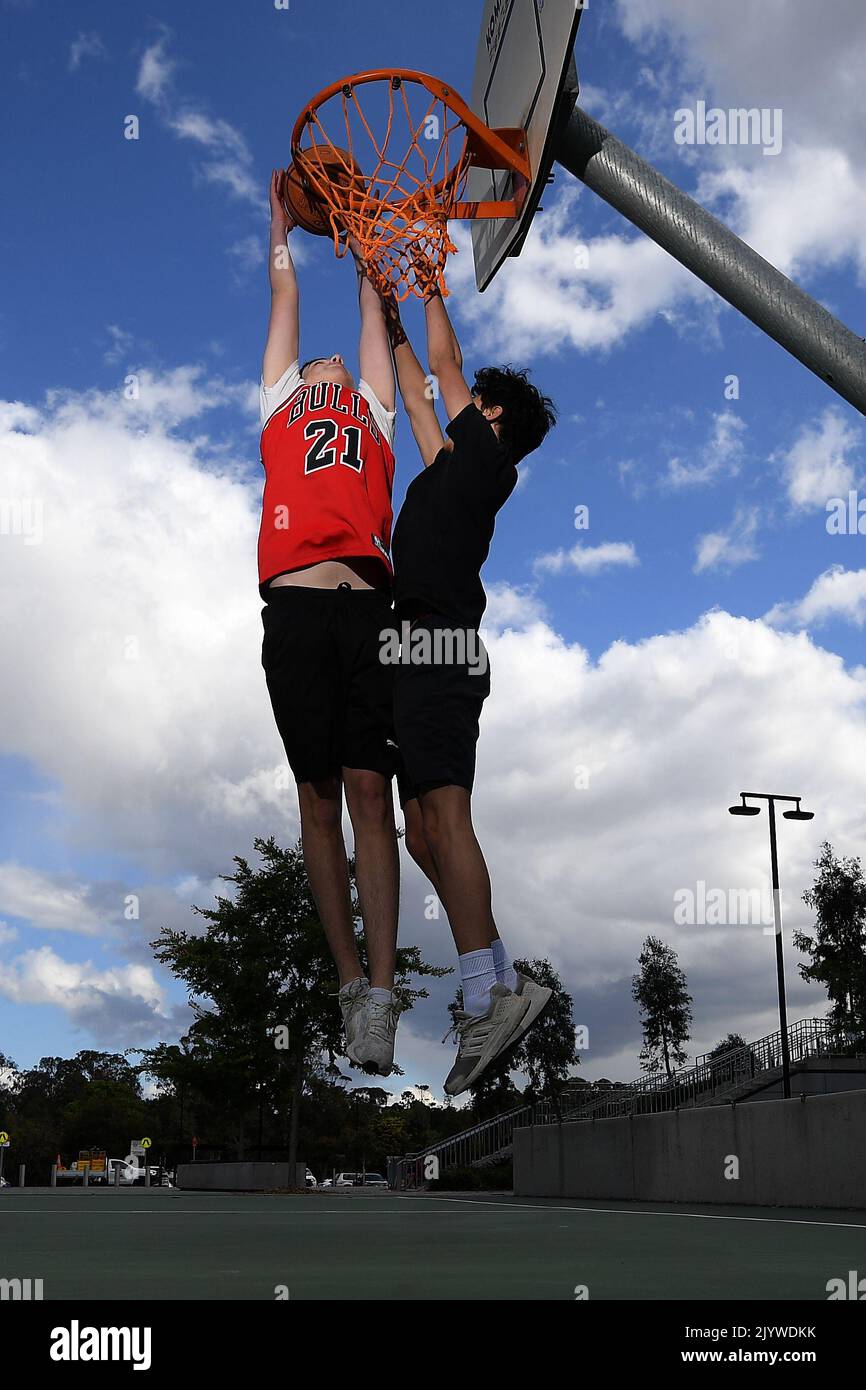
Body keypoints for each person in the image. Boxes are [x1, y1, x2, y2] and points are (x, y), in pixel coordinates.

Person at [380, 280, 558, 1096]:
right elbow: (422, 397)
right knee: (419, 835)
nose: (457, 399)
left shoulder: (489, 463)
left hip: (442, 647)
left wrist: (426, 288)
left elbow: (444, 363)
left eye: (473, 399)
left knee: (446, 820)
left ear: (490, 419)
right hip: (409, 644)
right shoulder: (450, 464)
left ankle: (488, 992)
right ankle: (497, 976)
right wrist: (389, 324)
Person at [258, 170, 400, 1075]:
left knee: (368, 794)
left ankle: (383, 994)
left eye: (332, 358)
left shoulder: (376, 411)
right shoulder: (281, 402)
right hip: (299, 606)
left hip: (369, 604)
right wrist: (281, 229)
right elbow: (284, 292)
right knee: (317, 799)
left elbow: (372, 317)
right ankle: (348, 980)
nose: (325, 362)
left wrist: (359, 239)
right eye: (313, 359)